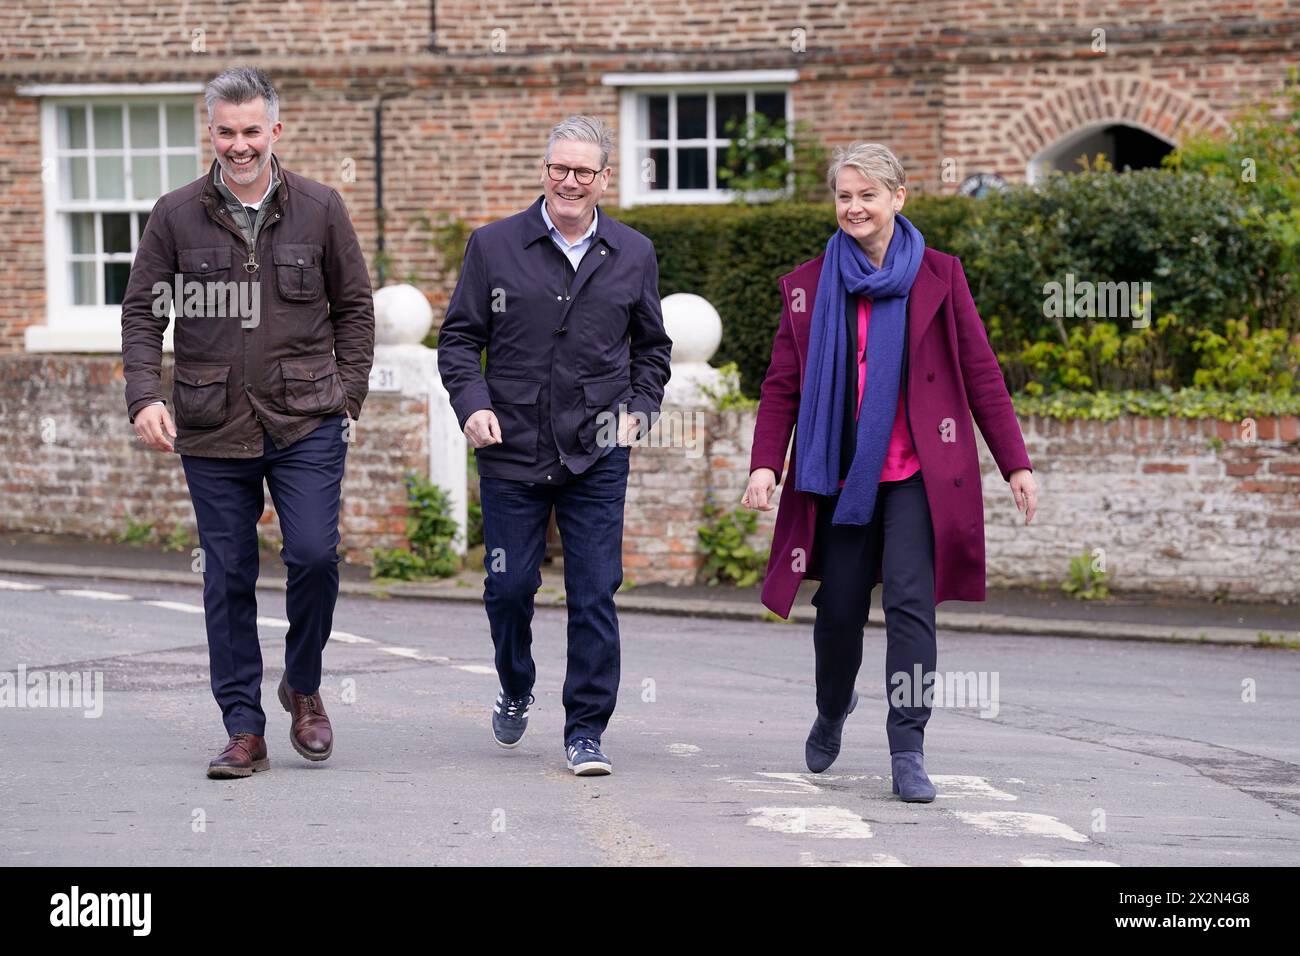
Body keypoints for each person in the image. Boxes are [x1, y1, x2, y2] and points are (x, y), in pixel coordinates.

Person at [742, 142, 1038, 802]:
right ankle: (832, 704)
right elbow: (782, 385)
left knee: (911, 608)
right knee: (838, 611)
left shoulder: (940, 275)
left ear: (897, 199)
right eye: (845, 196)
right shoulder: (809, 285)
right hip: (842, 473)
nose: (855, 207)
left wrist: (1014, 463)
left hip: (918, 476)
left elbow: (982, 374)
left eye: (868, 195)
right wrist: (766, 464)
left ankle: (908, 746)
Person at [121, 66, 375, 779]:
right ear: (211, 130)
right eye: (226, 131)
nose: (239, 145)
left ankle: (303, 682)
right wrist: (145, 395)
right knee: (227, 575)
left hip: (306, 418)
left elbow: (354, 307)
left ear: (275, 131)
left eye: (252, 131)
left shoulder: (321, 208)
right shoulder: (174, 215)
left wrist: (346, 395)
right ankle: (244, 730)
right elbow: (143, 312)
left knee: (316, 557)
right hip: (209, 422)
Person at [437, 116, 672, 776]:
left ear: (605, 178)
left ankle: (586, 730)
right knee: (509, 587)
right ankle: (515, 684)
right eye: (558, 169)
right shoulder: (493, 246)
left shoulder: (633, 252)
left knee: (594, 590)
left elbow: (652, 348)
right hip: (511, 447)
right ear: (545, 171)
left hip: (598, 449)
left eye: (583, 171)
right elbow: (458, 340)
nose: (569, 181)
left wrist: (639, 410)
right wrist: (472, 405)